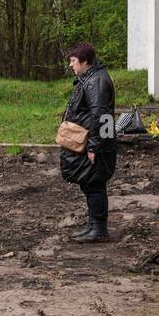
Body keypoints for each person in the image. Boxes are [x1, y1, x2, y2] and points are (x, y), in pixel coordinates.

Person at [60, 43, 117, 242]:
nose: (71, 65)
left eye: (73, 61)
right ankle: (94, 226)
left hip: (95, 143)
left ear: (85, 62)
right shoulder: (91, 78)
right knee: (89, 183)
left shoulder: (97, 81)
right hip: (91, 140)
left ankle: (99, 230)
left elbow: (101, 115)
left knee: (95, 184)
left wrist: (95, 146)